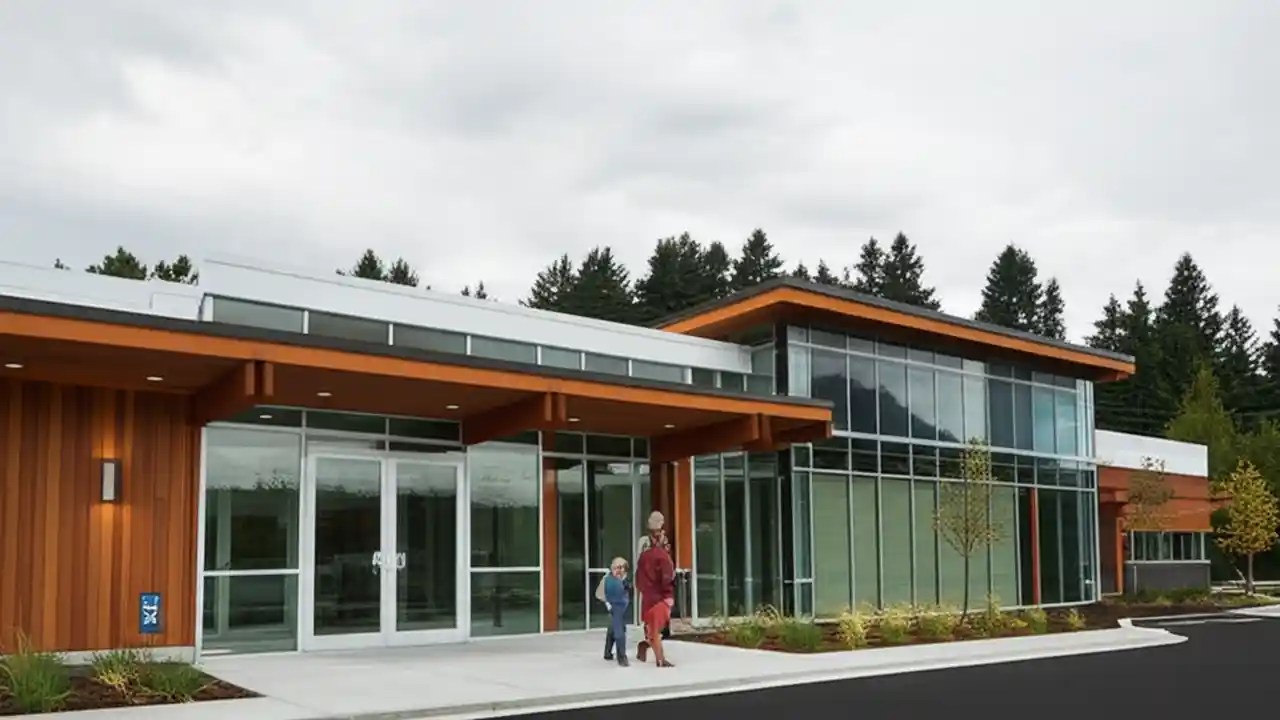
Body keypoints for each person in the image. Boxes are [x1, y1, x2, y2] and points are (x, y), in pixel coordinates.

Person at [635, 522, 675, 667]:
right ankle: (660, 659)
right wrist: (668, 597)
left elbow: (638, 579)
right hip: (660, 600)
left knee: (653, 630)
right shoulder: (663, 557)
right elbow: (667, 578)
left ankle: (644, 647)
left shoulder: (644, 557)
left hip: (648, 599)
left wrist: (644, 592)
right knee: (656, 631)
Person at [600, 557, 631, 667]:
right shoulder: (608, 579)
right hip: (615, 606)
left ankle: (607, 652)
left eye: (622, 568)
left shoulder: (624, 580)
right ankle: (622, 657)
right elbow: (600, 593)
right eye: (617, 567)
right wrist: (608, 605)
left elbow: (627, 591)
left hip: (622, 607)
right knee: (620, 632)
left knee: (613, 629)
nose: (620, 570)